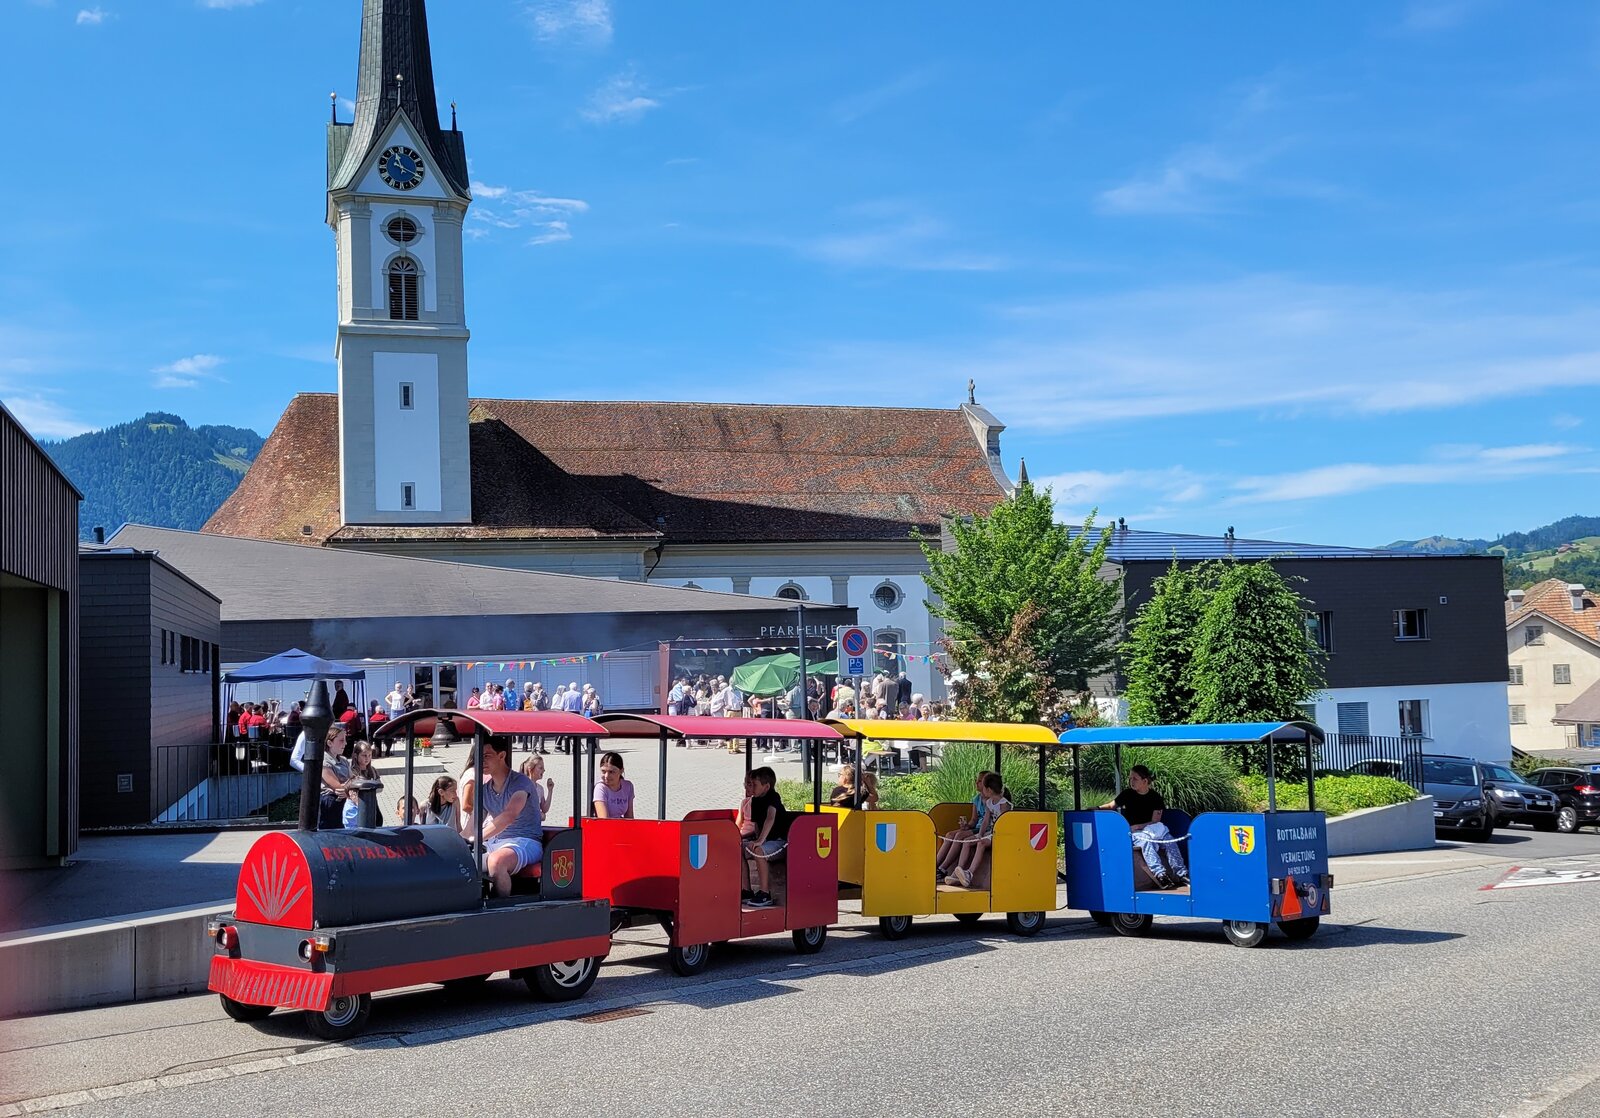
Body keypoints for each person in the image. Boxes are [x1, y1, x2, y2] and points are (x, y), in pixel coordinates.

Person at [466, 735, 544, 897]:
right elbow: (471, 826)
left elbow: (509, 815)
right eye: (479, 757)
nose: (481, 761)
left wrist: (477, 838)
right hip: (496, 842)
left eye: (487, 756)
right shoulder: (485, 789)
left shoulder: (520, 783)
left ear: (502, 756)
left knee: (496, 862)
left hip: (526, 841)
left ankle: (501, 911)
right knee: (461, 863)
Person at [1104, 764, 1189, 888]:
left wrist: (1138, 826)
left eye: (1134, 778)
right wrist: (1097, 808)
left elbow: (1155, 820)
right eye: (1130, 778)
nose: (1131, 781)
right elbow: (1111, 806)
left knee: (1169, 840)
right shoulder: (1127, 794)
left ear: (1144, 781)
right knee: (1146, 842)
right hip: (1136, 833)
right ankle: (1160, 875)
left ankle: (1181, 874)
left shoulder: (1155, 797)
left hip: (1151, 830)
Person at [945, 772, 1008, 887]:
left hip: (1000, 834)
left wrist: (983, 836)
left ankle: (969, 873)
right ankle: (957, 874)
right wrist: (980, 834)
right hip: (989, 833)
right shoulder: (989, 802)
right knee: (967, 842)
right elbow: (985, 820)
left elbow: (1004, 823)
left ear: (988, 790)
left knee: (981, 843)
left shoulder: (1004, 804)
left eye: (983, 786)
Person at [742, 766, 788, 908]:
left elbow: (770, 818)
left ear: (766, 786)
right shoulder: (755, 801)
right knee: (737, 848)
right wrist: (748, 838)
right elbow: (757, 826)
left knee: (759, 850)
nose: (752, 788)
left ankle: (765, 893)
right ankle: (746, 890)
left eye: (755, 785)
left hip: (779, 842)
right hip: (765, 840)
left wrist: (760, 840)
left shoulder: (773, 797)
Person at [936, 771, 993, 879]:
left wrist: (968, 830)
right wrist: (966, 826)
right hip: (976, 828)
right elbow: (974, 820)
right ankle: (935, 865)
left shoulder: (991, 800)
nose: (976, 783)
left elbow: (986, 822)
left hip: (984, 829)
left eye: (980, 781)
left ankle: (943, 868)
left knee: (959, 836)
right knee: (949, 834)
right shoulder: (976, 799)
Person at [592, 752, 635, 819]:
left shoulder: (628, 786)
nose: (606, 776)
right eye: (603, 771)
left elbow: (629, 817)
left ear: (621, 771)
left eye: (611, 772)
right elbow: (604, 820)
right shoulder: (600, 788)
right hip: (605, 827)